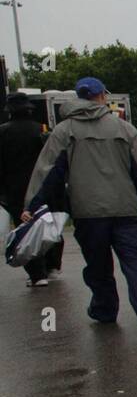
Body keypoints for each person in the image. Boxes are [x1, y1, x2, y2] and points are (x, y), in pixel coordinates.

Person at [23, 77, 137, 332]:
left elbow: (47, 172)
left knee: (98, 267)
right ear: (103, 96)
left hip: (88, 214)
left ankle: (104, 310)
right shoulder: (124, 129)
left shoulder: (64, 131)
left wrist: (31, 205)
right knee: (136, 264)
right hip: (126, 210)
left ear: (79, 98)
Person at [0, 93, 62, 287]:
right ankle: (52, 265)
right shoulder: (42, 129)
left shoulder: (2, 132)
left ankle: (37, 273)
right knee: (49, 224)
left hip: (15, 189)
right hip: (44, 186)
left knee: (25, 229)